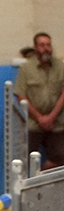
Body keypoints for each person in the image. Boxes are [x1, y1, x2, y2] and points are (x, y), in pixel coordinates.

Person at [15, 32, 64, 170]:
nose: (46, 48)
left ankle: (41, 176)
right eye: (42, 45)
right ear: (35, 48)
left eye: (48, 45)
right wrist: (40, 118)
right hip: (33, 124)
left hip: (57, 123)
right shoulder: (26, 69)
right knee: (25, 161)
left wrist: (51, 117)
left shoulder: (60, 67)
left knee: (61, 156)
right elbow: (21, 96)